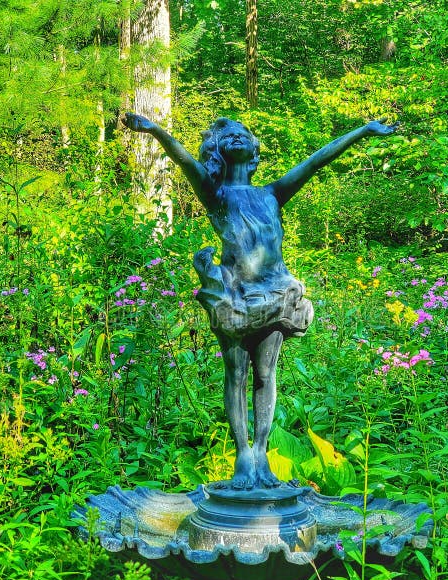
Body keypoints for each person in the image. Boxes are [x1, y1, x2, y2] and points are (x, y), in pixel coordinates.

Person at [122, 113, 399, 489]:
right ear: (217, 151)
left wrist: (364, 130)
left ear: (254, 151)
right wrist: (155, 130)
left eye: (243, 135)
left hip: (275, 293)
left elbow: (318, 160)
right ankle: (242, 456)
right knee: (235, 374)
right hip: (234, 295)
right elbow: (183, 160)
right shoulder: (216, 193)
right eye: (228, 136)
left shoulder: (272, 193)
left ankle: (263, 453)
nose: (236, 137)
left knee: (265, 374)